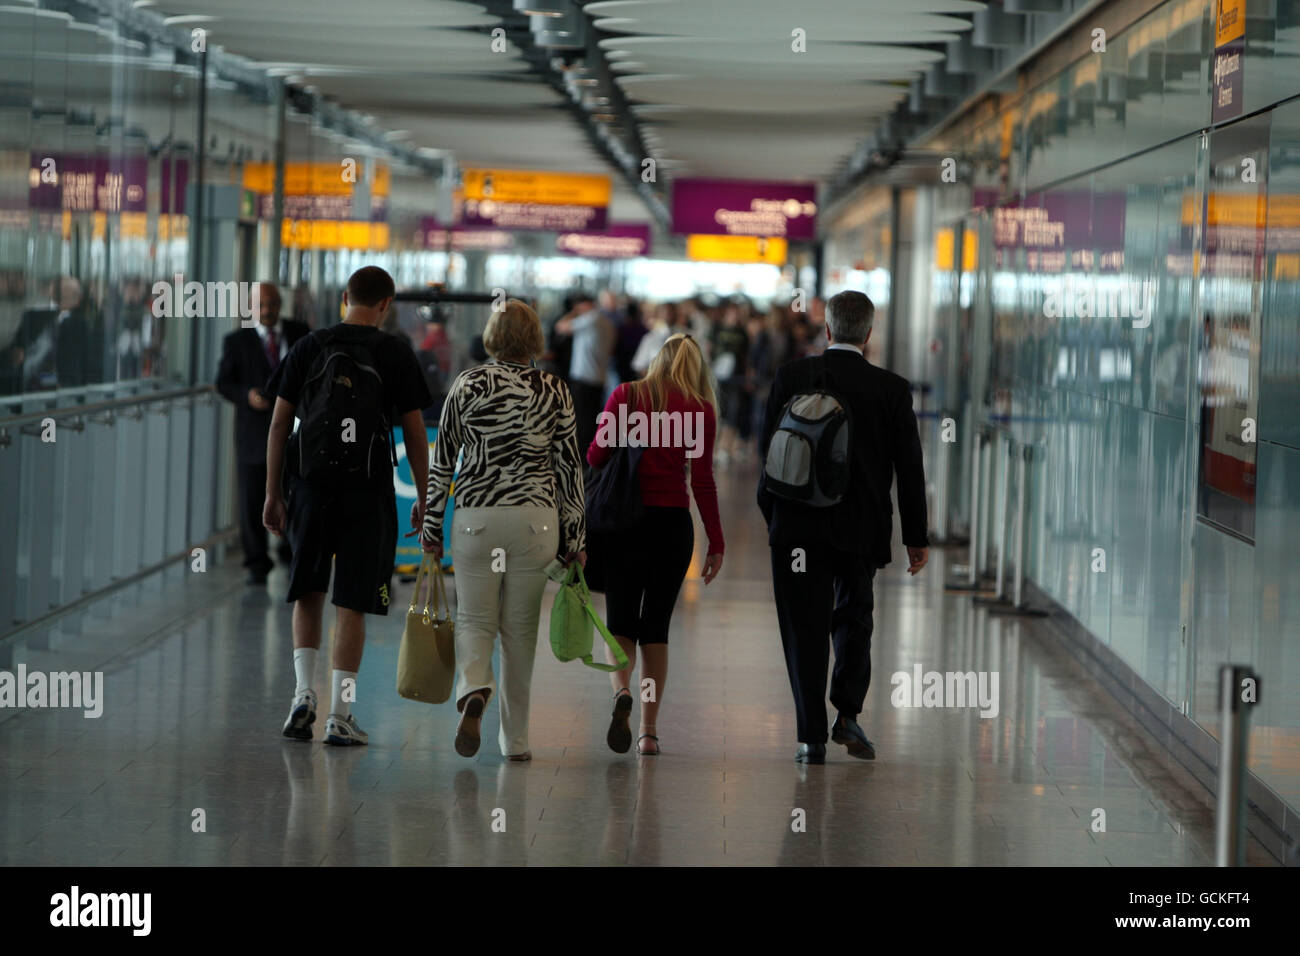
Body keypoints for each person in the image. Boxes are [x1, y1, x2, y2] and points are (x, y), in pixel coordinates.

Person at [757, 290, 929, 765]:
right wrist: (916, 536)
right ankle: (847, 713)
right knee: (855, 616)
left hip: (796, 527)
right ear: (869, 335)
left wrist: (775, 518)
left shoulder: (791, 376)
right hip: (860, 527)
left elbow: (766, 454)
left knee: (803, 627)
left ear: (827, 330)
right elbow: (909, 468)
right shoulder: (891, 389)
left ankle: (810, 737)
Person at [263, 266, 432, 746]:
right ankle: (340, 712)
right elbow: (415, 433)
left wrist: (273, 493)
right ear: (386, 304)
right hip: (367, 491)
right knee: (352, 602)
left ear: (344, 297)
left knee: (309, 591)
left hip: (310, 488)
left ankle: (302, 696)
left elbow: (279, 426)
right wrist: (424, 495)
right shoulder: (393, 351)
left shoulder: (309, 346)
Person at [422, 299, 586, 762]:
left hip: (478, 517)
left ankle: (475, 688)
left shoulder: (467, 384)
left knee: (475, 619)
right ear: (535, 339)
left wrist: (432, 527)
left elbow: (443, 460)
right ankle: (515, 742)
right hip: (536, 520)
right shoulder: (554, 389)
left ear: (492, 336)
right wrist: (575, 541)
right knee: (519, 631)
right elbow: (570, 470)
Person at [587, 333, 724, 756]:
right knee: (656, 628)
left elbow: (595, 457)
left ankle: (621, 693)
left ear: (655, 360)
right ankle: (648, 731)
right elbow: (702, 481)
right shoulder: (701, 410)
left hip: (624, 522)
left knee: (621, 622)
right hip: (671, 527)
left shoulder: (626, 395)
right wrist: (716, 542)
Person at [215, 282, 309, 584]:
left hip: (295, 433)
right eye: (261, 305)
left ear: (280, 305)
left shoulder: (300, 333)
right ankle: (256, 562)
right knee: (252, 497)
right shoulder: (237, 341)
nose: (267, 311)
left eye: (272, 304)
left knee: (295, 491)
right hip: (254, 433)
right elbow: (223, 383)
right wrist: (246, 396)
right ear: (252, 309)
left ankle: (290, 549)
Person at [556, 292, 614, 455]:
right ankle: (593, 455)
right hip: (599, 377)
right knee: (593, 419)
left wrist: (574, 313)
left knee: (582, 421)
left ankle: (583, 457)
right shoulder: (607, 322)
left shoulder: (591, 318)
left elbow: (561, 326)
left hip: (583, 378)